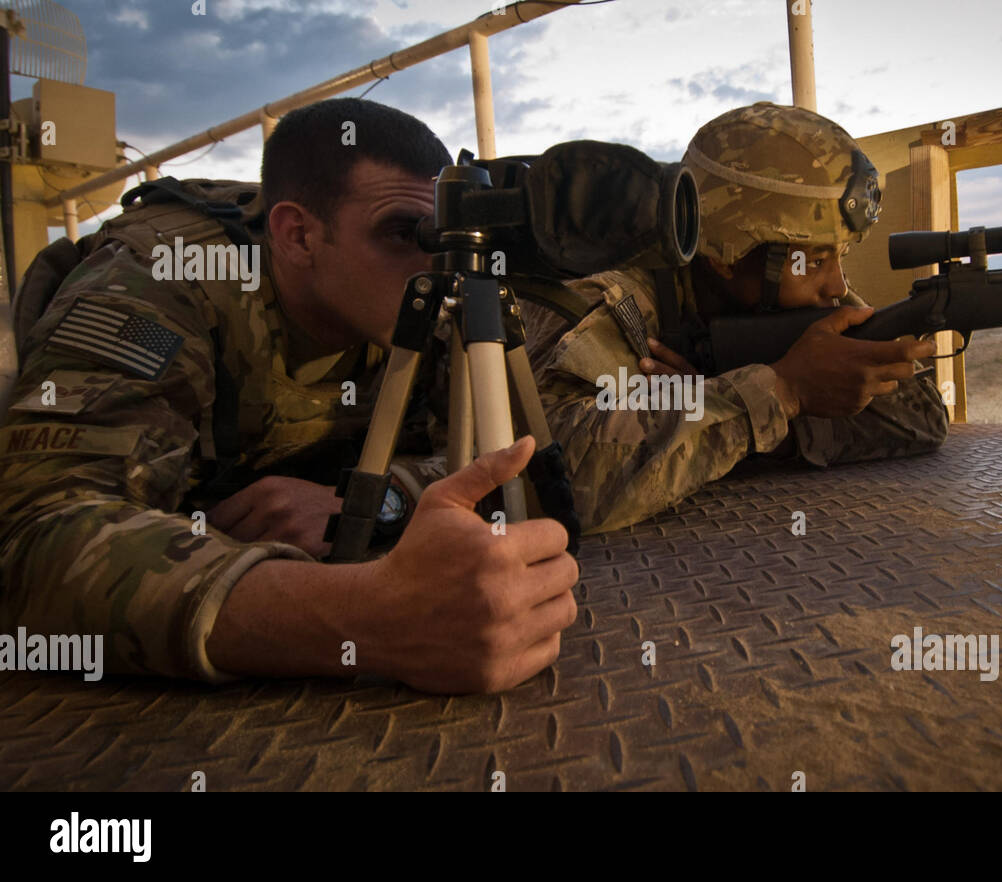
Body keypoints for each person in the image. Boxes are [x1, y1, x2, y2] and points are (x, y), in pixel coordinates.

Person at [0, 98, 578, 694]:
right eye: (404, 233)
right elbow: (31, 538)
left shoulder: (427, 296)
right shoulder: (162, 284)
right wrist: (363, 618)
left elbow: (525, 461)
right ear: (298, 234)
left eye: (440, 234)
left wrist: (388, 499)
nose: (435, 263)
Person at [520, 102, 949, 533]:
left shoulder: (808, 301)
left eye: (840, 255)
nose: (837, 285)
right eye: (815, 260)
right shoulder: (616, 302)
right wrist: (779, 390)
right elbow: (546, 479)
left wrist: (731, 405)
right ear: (727, 255)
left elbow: (924, 416)